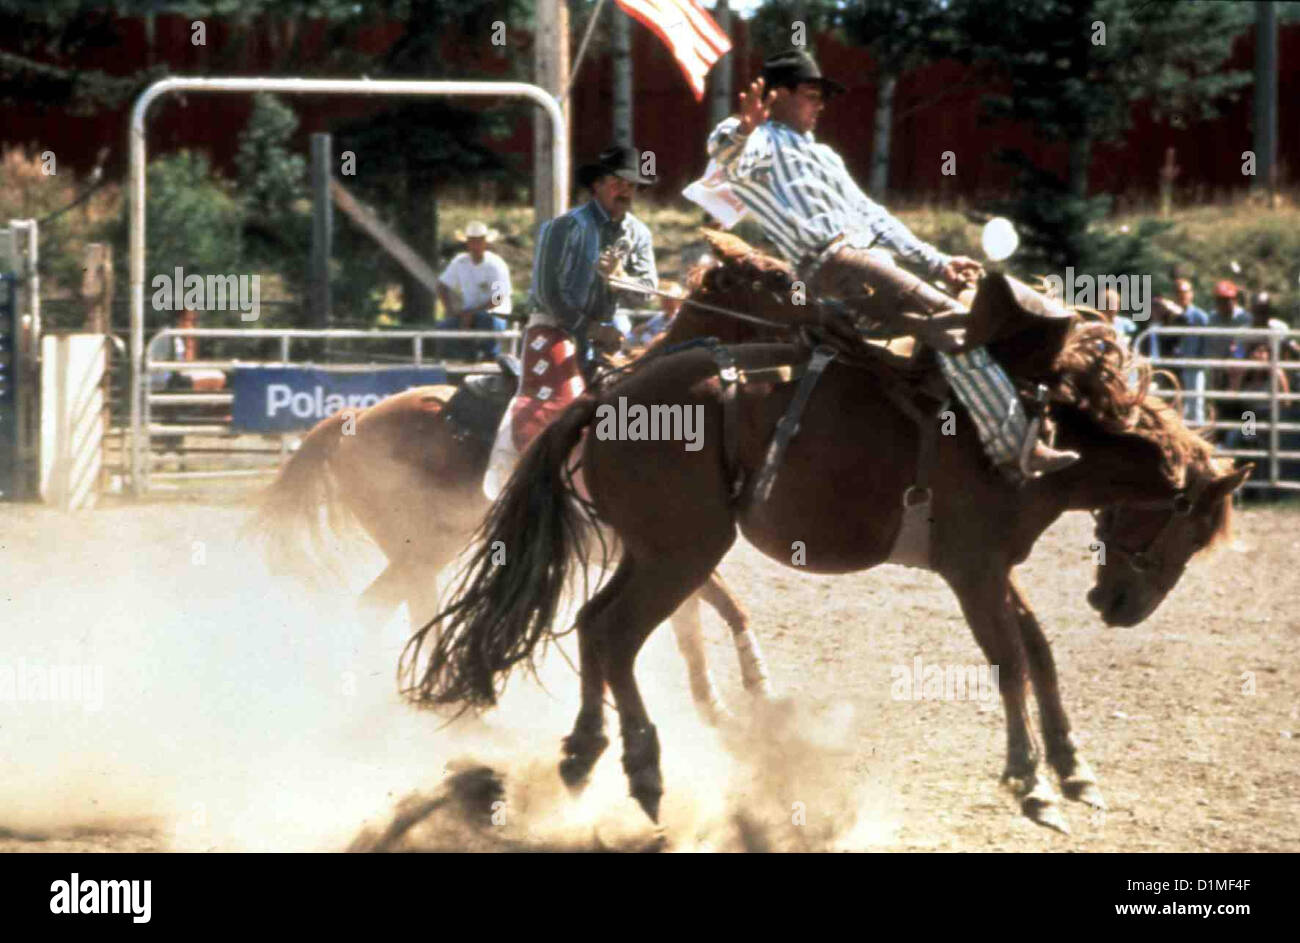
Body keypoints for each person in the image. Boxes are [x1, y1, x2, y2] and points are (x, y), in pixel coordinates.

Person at [706, 50, 1078, 481]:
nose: (820, 105)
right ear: (777, 97)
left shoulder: (824, 156)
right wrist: (741, 129)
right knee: (954, 322)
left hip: (865, 261)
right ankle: (1015, 447)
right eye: (811, 95)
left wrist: (938, 264)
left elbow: (874, 216)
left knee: (967, 313)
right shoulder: (762, 143)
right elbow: (724, 154)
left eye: (822, 96)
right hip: (835, 265)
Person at [482, 144, 657, 499]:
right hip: (553, 327)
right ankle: (524, 481)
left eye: (632, 185)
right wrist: (591, 329)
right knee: (555, 401)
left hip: (609, 332)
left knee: (646, 399)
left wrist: (621, 278)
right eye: (617, 181)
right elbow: (549, 293)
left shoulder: (639, 234)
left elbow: (647, 293)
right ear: (597, 185)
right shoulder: (562, 228)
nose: (625, 190)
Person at [434, 220, 513, 361]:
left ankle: (490, 359)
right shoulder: (460, 262)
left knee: (486, 322)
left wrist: (472, 313)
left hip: (495, 314)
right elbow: (442, 285)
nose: (475, 245)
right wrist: (449, 309)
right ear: (467, 243)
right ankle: (455, 364)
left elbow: (498, 298)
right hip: (469, 314)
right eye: (472, 241)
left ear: (485, 243)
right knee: (443, 327)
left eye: (479, 241)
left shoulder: (495, 265)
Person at [629, 279, 684, 348]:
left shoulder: (680, 318)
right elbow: (642, 328)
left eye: (668, 299)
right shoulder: (660, 316)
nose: (665, 302)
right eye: (663, 299)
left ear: (677, 301)